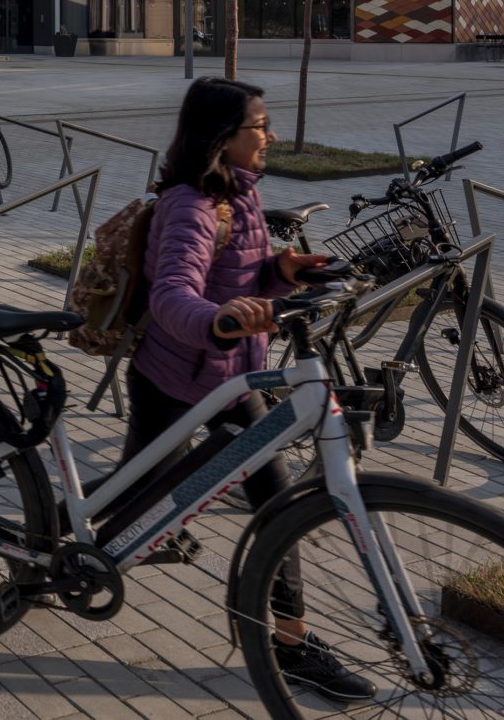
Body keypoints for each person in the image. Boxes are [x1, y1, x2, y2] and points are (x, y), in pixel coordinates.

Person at [125, 76, 374, 704]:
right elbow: (173, 292)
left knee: (278, 506)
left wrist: (280, 272)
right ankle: (44, 553)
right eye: (258, 126)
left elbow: (239, 272)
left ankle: (289, 642)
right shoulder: (191, 204)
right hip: (176, 381)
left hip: (233, 382)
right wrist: (217, 320)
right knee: (126, 515)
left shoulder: (238, 192)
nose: (270, 136)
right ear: (221, 138)